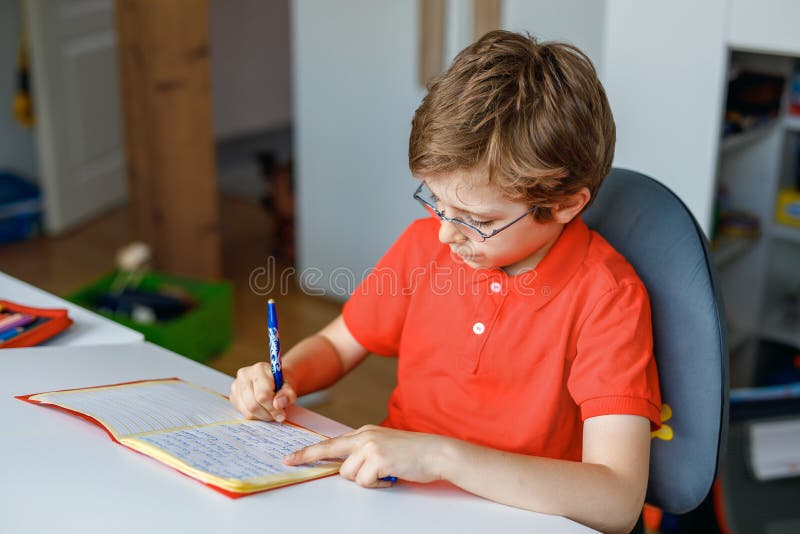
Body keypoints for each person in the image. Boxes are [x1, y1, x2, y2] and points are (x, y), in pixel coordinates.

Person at [230, 30, 661, 534]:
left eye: (475, 218)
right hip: (393, 501)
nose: (444, 232)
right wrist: (283, 381)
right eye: (435, 201)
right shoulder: (426, 247)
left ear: (566, 204)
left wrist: (442, 457)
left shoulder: (608, 299)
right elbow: (337, 344)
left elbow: (616, 500)